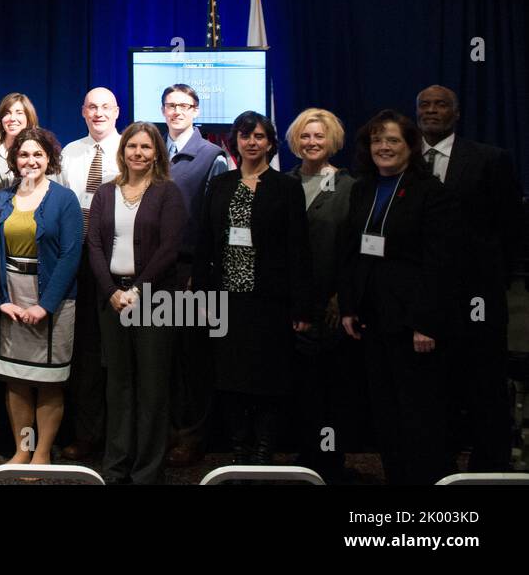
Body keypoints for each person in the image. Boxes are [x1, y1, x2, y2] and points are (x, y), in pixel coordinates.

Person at [340, 110, 459, 485]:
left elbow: (440, 264)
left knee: (419, 413)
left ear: (411, 146)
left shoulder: (431, 192)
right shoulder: (362, 188)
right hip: (371, 318)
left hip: (413, 324)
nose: (384, 147)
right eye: (377, 140)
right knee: (386, 413)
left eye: (393, 140)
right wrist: (348, 307)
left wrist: (425, 322)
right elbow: (350, 252)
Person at [195, 111, 312, 467]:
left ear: (271, 143)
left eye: (259, 136)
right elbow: (205, 243)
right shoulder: (220, 184)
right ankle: (239, 449)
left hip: (270, 301)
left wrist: (302, 307)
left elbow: (299, 248)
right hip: (227, 299)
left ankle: (263, 450)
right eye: (245, 136)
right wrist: (200, 297)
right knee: (231, 378)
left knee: (268, 379)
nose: (252, 142)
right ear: (235, 142)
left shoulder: (286, 187)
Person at [417, 85, 524, 472]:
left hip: (478, 298)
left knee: (484, 388)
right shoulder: (401, 157)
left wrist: (495, 282)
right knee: (433, 391)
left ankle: (490, 470)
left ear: (456, 114)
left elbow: (511, 228)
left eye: (440, 105)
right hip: (423, 299)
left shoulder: (489, 160)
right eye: (425, 105)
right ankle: (436, 469)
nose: (432, 111)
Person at [87, 122, 186, 484]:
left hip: (155, 300)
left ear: (157, 153)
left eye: (146, 147)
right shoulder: (105, 192)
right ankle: (116, 467)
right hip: (112, 300)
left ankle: (147, 471)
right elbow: (95, 245)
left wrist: (138, 290)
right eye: (133, 147)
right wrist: (112, 290)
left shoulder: (168, 192)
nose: (139, 153)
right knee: (118, 386)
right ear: (123, 151)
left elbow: (169, 249)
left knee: (153, 388)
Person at [0, 127, 84, 467]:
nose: (30, 161)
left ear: (49, 159)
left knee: (48, 380)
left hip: (53, 299)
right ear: (14, 160)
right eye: (23, 155)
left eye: (37, 155)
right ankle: (23, 449)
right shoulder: (1, 197)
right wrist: (1, 299)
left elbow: (71, 256)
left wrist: (45, 306)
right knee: (16, 378)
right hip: (11, 296)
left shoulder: (64, 199)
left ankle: (42, 452)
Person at [285, 108, 356, 482]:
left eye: (319, 137)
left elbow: (353, 250)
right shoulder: (284, 182)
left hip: (330, 305)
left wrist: (341, 297)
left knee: (332, 390)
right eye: (305, 136)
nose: (312, 143)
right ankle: (304, 457)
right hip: (291, 304)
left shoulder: (349, 187)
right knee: (301, 388)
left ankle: (329, 464)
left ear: (332, 142)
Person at [161, 83, 228, 467]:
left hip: (193, 272)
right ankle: (168, 433)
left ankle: (193, 439)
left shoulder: (212, 156)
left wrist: (202, 273)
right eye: (171, 105)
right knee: (166, 358)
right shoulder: (153, 150)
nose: (177, 112)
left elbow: (215, 223)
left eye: (184, 106)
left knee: (195, 359)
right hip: (159, 270)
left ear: (196, 111)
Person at [57, 86, 122, 462]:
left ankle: (116, 435)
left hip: (118, 263)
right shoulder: (70, 152)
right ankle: (85, 434)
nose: (98, 113)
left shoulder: (131, 148)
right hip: (78, 260)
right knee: (83, 352)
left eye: (105, 107)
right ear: (83, 112)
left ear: (117, 111)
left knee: (115, 350)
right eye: (92, 107)